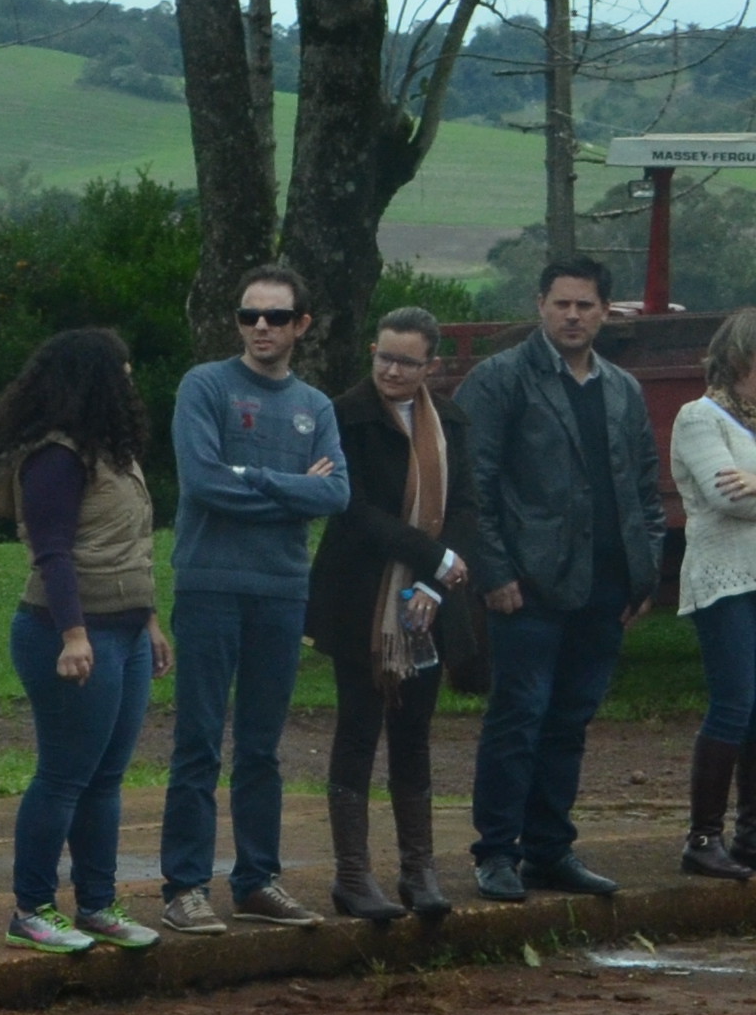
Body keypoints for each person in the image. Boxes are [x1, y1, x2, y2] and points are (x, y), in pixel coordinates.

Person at [452, 253, 667, 902]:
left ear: (606, 312)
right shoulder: (501, 380)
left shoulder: (622, 389)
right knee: (519, 717)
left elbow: (645, 492)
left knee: (570, 721)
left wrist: (644, 571)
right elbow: (472, 487)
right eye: (561, 303)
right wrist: (494, 572)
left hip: (606, 587)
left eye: (586, 305)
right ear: (540, 304)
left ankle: (550, 851)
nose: (572, 315)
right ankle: (496, 853)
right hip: (527, 587)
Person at [156, 266, 349, 931]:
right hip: (210, 584)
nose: (260, 327)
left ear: (302, 325)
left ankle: (258, 880)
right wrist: (291, 488)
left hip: (282, 591)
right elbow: (206, 483)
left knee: (263, 746)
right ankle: (184, 887)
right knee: (199, 741)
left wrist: (257, 478)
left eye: (274, 316)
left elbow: (337, 494)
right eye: (248, 316)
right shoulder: (204, 386)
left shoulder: (316, 407)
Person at [0, 328, 168, 955]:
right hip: (70, 635)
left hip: (126, 632)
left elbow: (131, 549)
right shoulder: (56, 458)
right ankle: (31, 909)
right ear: (98, 382)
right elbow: (53, 552)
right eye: (125, 372)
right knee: (63, 775)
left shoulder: (112, 455)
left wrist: (152, 624)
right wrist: (74, 636)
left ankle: (98, 904)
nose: (133, 382)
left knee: (106, 777)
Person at [310, 308, 471, 919]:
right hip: (359, 595)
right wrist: (432, 556)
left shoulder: (450, 420)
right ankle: (352, 875)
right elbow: (351, 507)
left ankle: (418, 869)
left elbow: (468, 506)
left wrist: (437, 580)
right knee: (358, 727)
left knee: (414, 732)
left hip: (428, 603)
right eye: (384, 357)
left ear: (431, 365)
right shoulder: (343, 414)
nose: (392, 371)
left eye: (407, 361)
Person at [668, 307, 756, 878]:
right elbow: (732, 499)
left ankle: (751, 834)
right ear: (742, 355)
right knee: (735, 700)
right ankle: (703, 838)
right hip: (724, 579)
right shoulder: (700, 418)